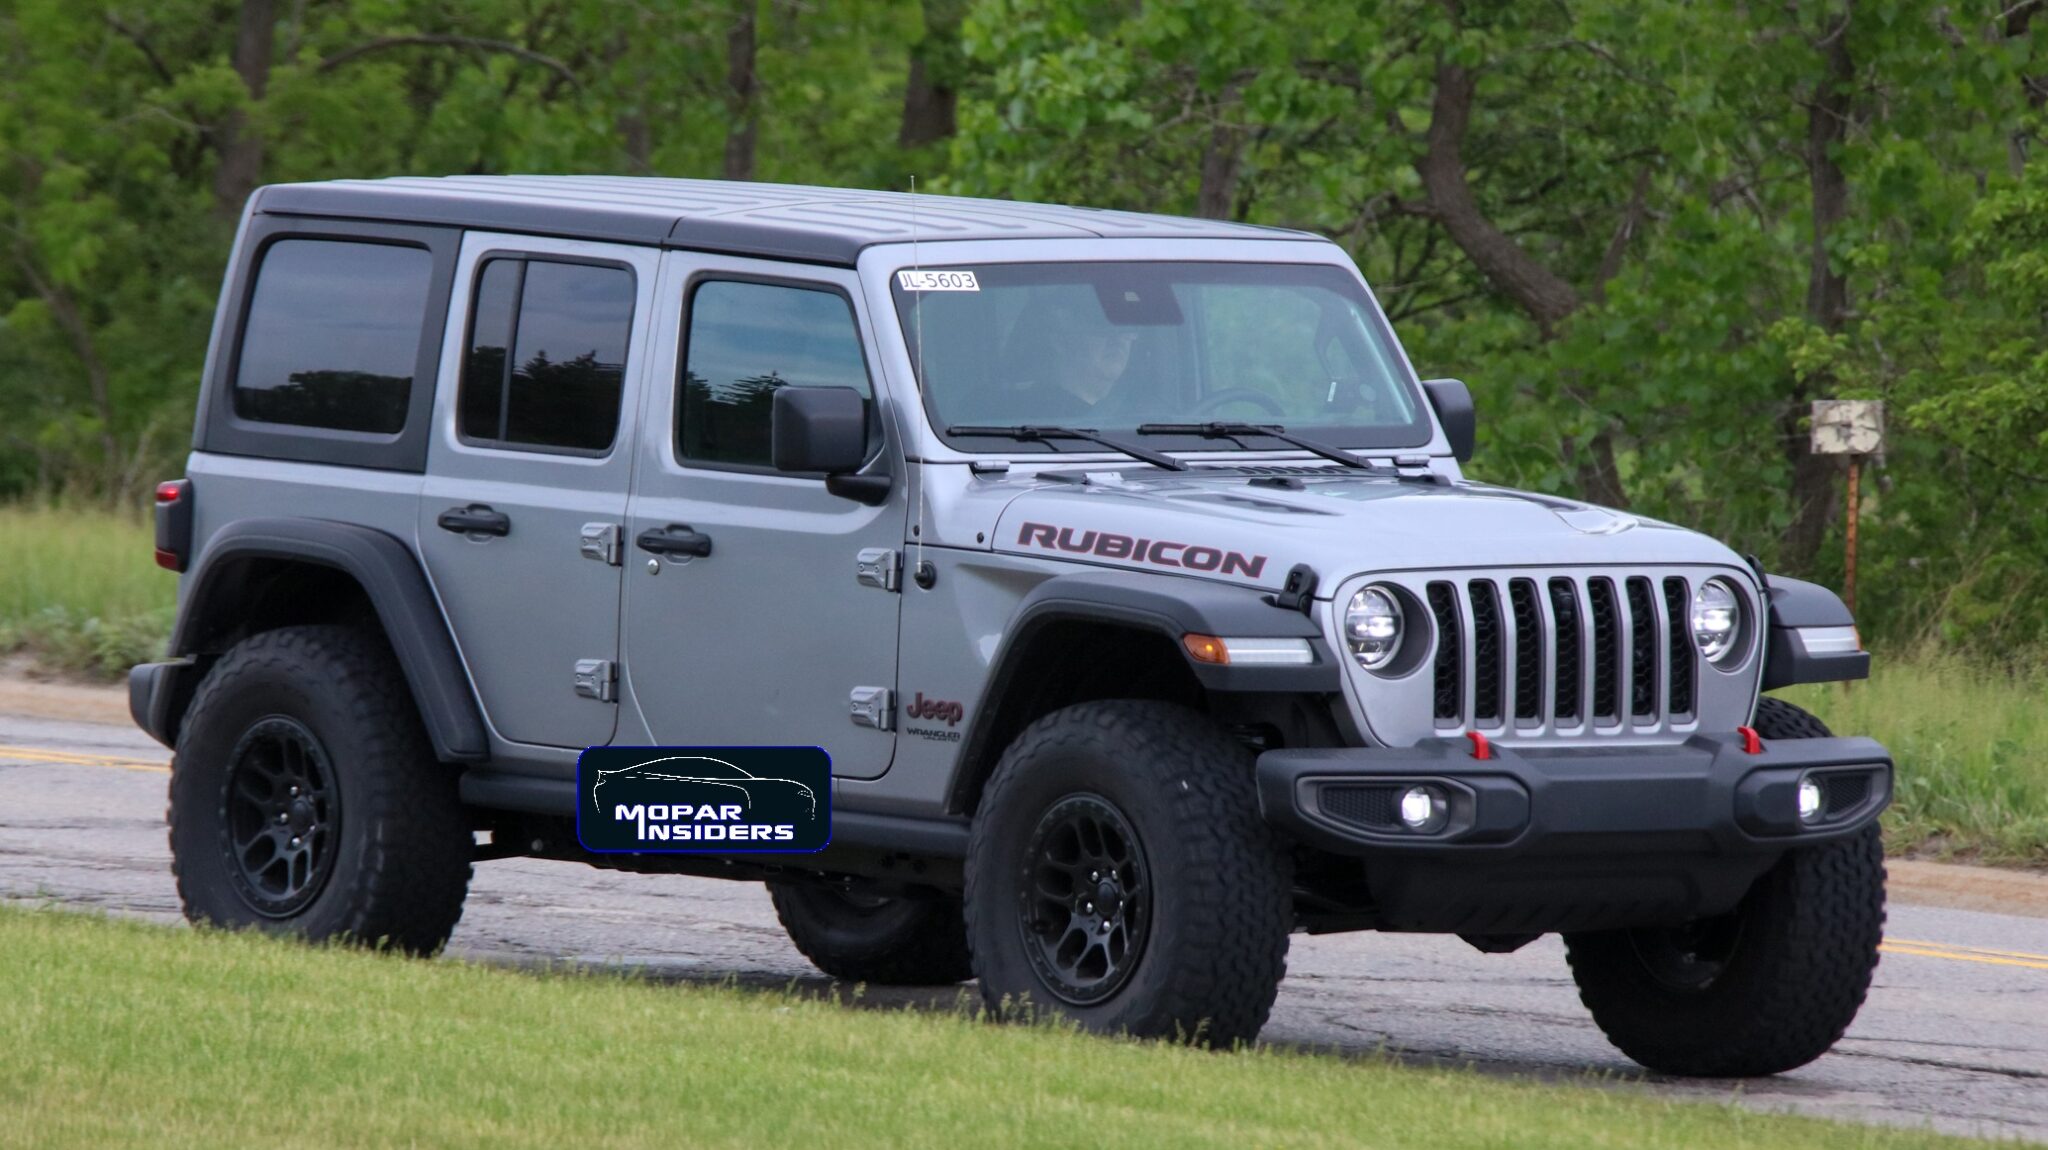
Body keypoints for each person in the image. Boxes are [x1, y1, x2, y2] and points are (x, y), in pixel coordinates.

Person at [998, 295, 1141, 421]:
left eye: (1128, 329)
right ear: (1060, 340)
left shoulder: (1142, 417)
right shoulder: (1028, 419)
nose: (1118, 339)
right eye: (1101, 328)